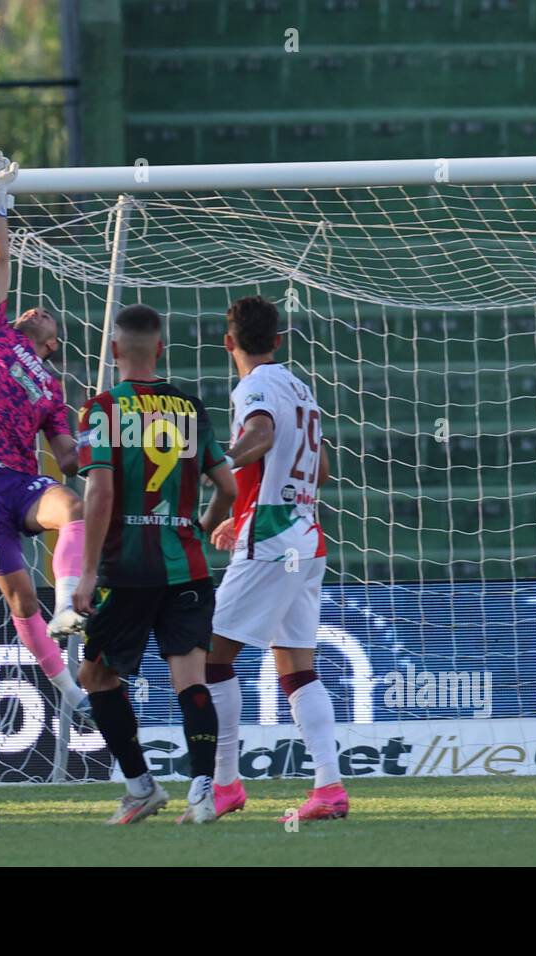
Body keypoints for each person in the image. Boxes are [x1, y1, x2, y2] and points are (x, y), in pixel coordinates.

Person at [71, 304, 238, 824]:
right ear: (161, 349)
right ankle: (204, 793)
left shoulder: (101, 408)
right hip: (185, 566)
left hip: (127, 571)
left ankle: (142, 787)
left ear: (115, 350)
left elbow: (98, 494)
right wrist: (203, 526)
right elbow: (229, 488)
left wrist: (88, 569)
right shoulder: (190, 407)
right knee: (190, 679)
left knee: (95, 676)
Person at [0, 149, 88, 713]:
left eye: (48, 315)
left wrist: (96, 437)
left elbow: (69, 457)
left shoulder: (52, 390)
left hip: (16, 481)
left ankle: (71, 603)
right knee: (19, 597)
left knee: (72, 506)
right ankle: (65, 687)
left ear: (51, 345)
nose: (36, 310)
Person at [205, 295, 348, 822]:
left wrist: (216, 463)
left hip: (271, 540)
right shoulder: (300, 388)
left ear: (229, 343)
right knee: (296, 669)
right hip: (306, 538)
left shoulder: (255, 386)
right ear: (279, 340)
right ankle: (328, 790)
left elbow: (261, 437)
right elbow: (321, 468)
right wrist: (239, 511)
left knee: (209, 659)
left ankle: (224, 786)